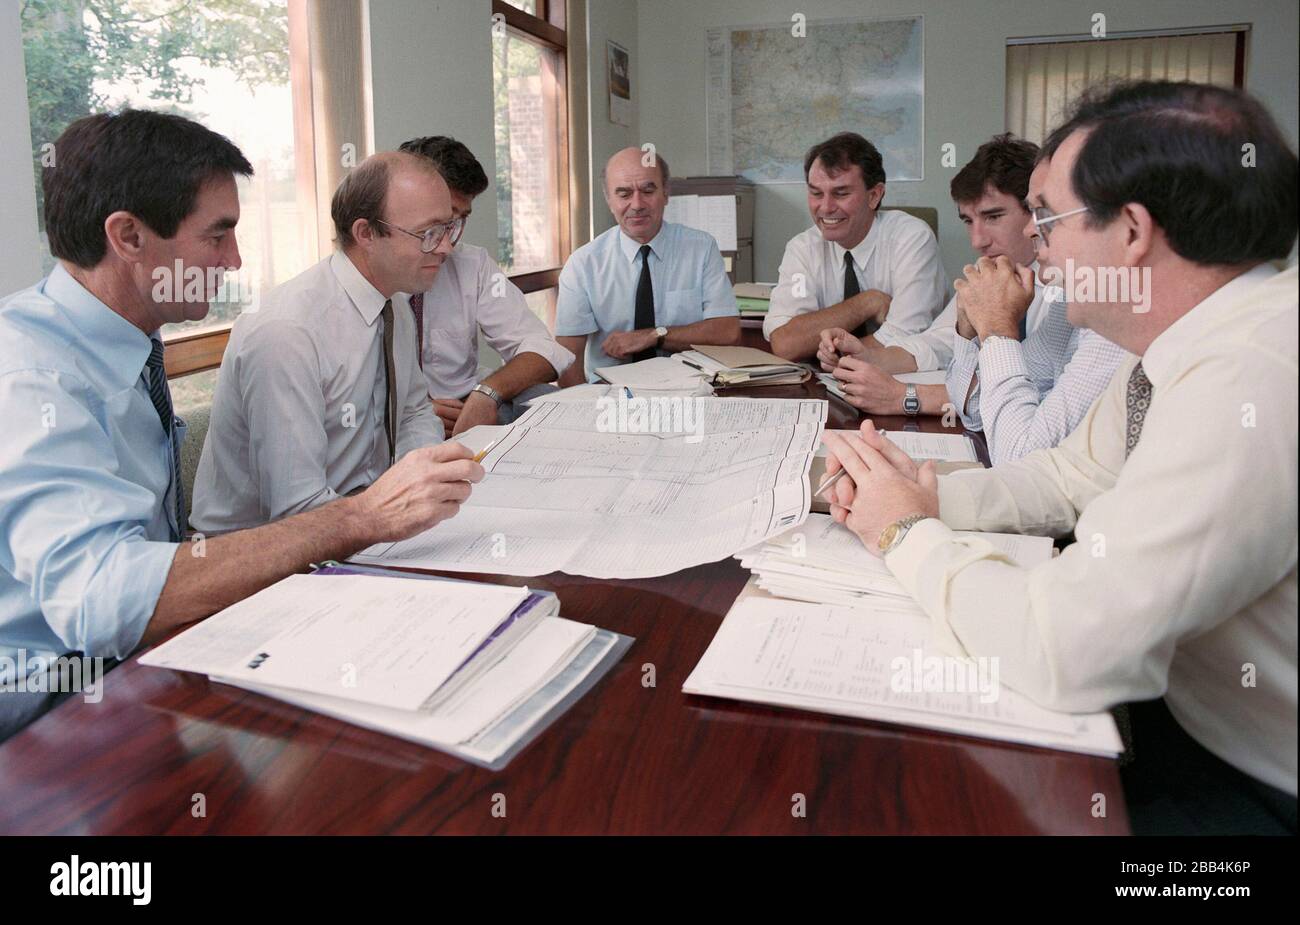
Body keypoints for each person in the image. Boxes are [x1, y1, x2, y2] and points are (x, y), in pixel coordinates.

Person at [823, 81, 1298, 834]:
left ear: (1132, 231)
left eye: (1046, 218)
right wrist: (917, 489)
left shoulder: (1256, 371)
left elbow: (1063, 645)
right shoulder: (1183, 342)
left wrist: (904, 535)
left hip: (1249, 788)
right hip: (1178, 716)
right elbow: (1070, 473)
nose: (1035, 245)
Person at [0, 112, 481, 742]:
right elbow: (102, 601)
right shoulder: (31, 374)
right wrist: (364, 518)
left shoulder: (126, 344)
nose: (235, 260)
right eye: (217, 235)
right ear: (127, 236)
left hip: (147, 657)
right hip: (49, 710)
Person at [193, 151, 451, 532]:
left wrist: (420, 483)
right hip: (264, 555)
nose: (445, 247)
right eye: (428, 234)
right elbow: (297, 509)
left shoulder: (394, 301)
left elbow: (413, 411)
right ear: (366, 234)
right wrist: (389, 512)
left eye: (449, 228)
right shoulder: (287, 332)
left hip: (361, 525)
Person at [398, 135, 573, 434]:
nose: (448, 243)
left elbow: (542, 349)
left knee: (552, 405)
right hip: (396, 426)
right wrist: (414, 413)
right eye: (443, 220)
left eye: (459, 221)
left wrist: (487, 393)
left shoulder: (472, 264)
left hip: (466, 412)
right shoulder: (371, 273)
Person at [555, 147, 739, 385]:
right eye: (624, 194)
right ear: (608, 200)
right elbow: (568, 360)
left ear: (666, 193)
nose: (637, 204)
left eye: (647, 190)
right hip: (612, 396)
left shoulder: (701, 248)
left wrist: (654, 336)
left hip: (692, 390)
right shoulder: (583, 264)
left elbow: (727, 331)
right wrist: (585, 410)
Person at [764, 131, 947, 362]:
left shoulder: (912, 239)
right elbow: (786, 343)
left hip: (905, 383)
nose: (826, 207)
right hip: (828, 384)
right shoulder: (802, 249)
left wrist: (837, 356)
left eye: (841, 193)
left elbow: (904, 337)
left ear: (874, 195)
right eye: (816, 193)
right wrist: (865, 303)